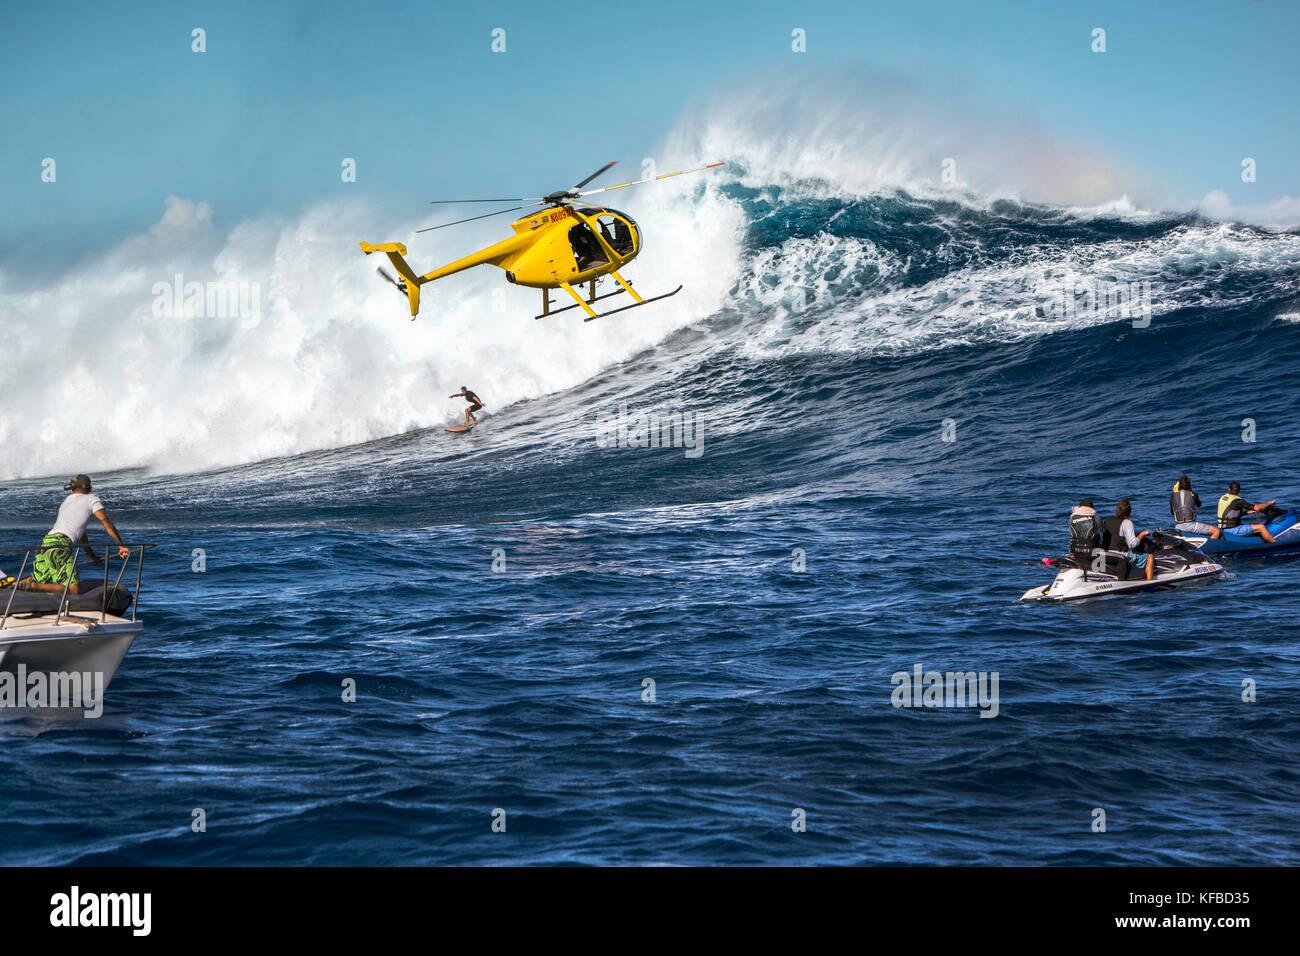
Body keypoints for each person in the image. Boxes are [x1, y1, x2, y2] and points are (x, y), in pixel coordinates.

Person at [18, 475, 130, 595]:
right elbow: (106, 523)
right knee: (72, 589)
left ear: (72, 488)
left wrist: (91, 555)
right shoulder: (91, 499)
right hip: (60, 545)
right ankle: (33, 585)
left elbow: (81, 534)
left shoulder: (68, 500)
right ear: (89, 487)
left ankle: (22, 586)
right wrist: (121, 546)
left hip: (45, 543)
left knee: (37, 585)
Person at [1101, 499, 1155, 581]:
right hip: (1120, 554)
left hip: (1107, 553)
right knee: (1150, 557)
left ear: (1117, 509)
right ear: (1129, 511)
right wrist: (1141, 535)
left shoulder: (1108, 520)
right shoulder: (1127, 522)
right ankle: (1150, 582)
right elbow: (1132, 544)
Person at [1170, 475, 1221, 539]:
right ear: (1189, 485)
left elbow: (1172, 512)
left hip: (1178, 526)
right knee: (1216, 531)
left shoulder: (1173, 496)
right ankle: (1209, 546)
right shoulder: (1193, 494)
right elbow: (1199, 504)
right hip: (1191, 525)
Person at [1068, 498, 1103, 578]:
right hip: (1092, 552)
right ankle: (1101, 575)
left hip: (1076, 552)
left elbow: (1071, 533)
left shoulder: (1072, 518)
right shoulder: (1096, 518)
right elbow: (1103, 531)